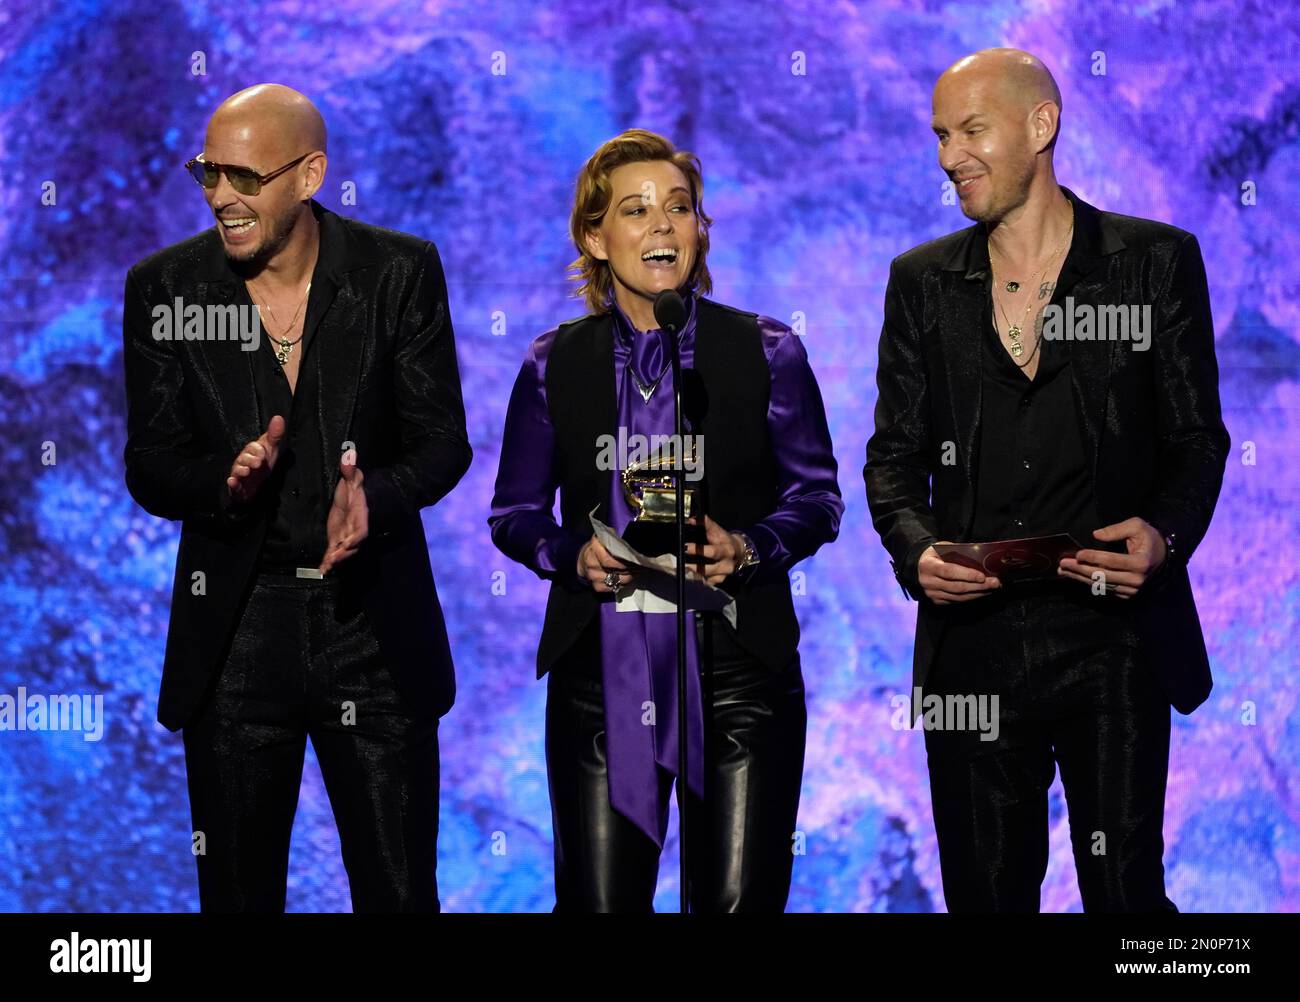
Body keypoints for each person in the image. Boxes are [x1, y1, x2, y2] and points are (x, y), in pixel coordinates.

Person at [865, 49, 1229, 912]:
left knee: (1126, 894)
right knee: (985, 897)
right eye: (941, 136)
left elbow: (1197, 439)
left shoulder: (1153, 262)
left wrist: (1163, 534)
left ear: (1041, 126)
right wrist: (917, 553)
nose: (951, 155)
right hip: (972, 649)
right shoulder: (921, 284)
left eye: (972, 131)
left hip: (1115, 636)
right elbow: (891, 458)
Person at [122, 84, 471, 911]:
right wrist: (224, 480)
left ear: (309, 175)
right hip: (237, 633)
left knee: (398, 892)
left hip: (372, 626)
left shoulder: (398, 272)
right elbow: (151, 463)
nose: (221, 198)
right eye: (208, 174)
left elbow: (442, 444)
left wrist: (374, 499)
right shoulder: (166, 288)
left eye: (244, 177)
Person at [489, 128, 842, 911]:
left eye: (679, 208)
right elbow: (513, 513)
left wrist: (748, 548)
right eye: (636, 209)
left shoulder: (770, 350)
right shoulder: (553, 364)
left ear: (700, 230)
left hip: (739, 678)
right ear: (594, 236)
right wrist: (569, 555)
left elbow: (818, 500)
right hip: (601, 685)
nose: (661, 226)